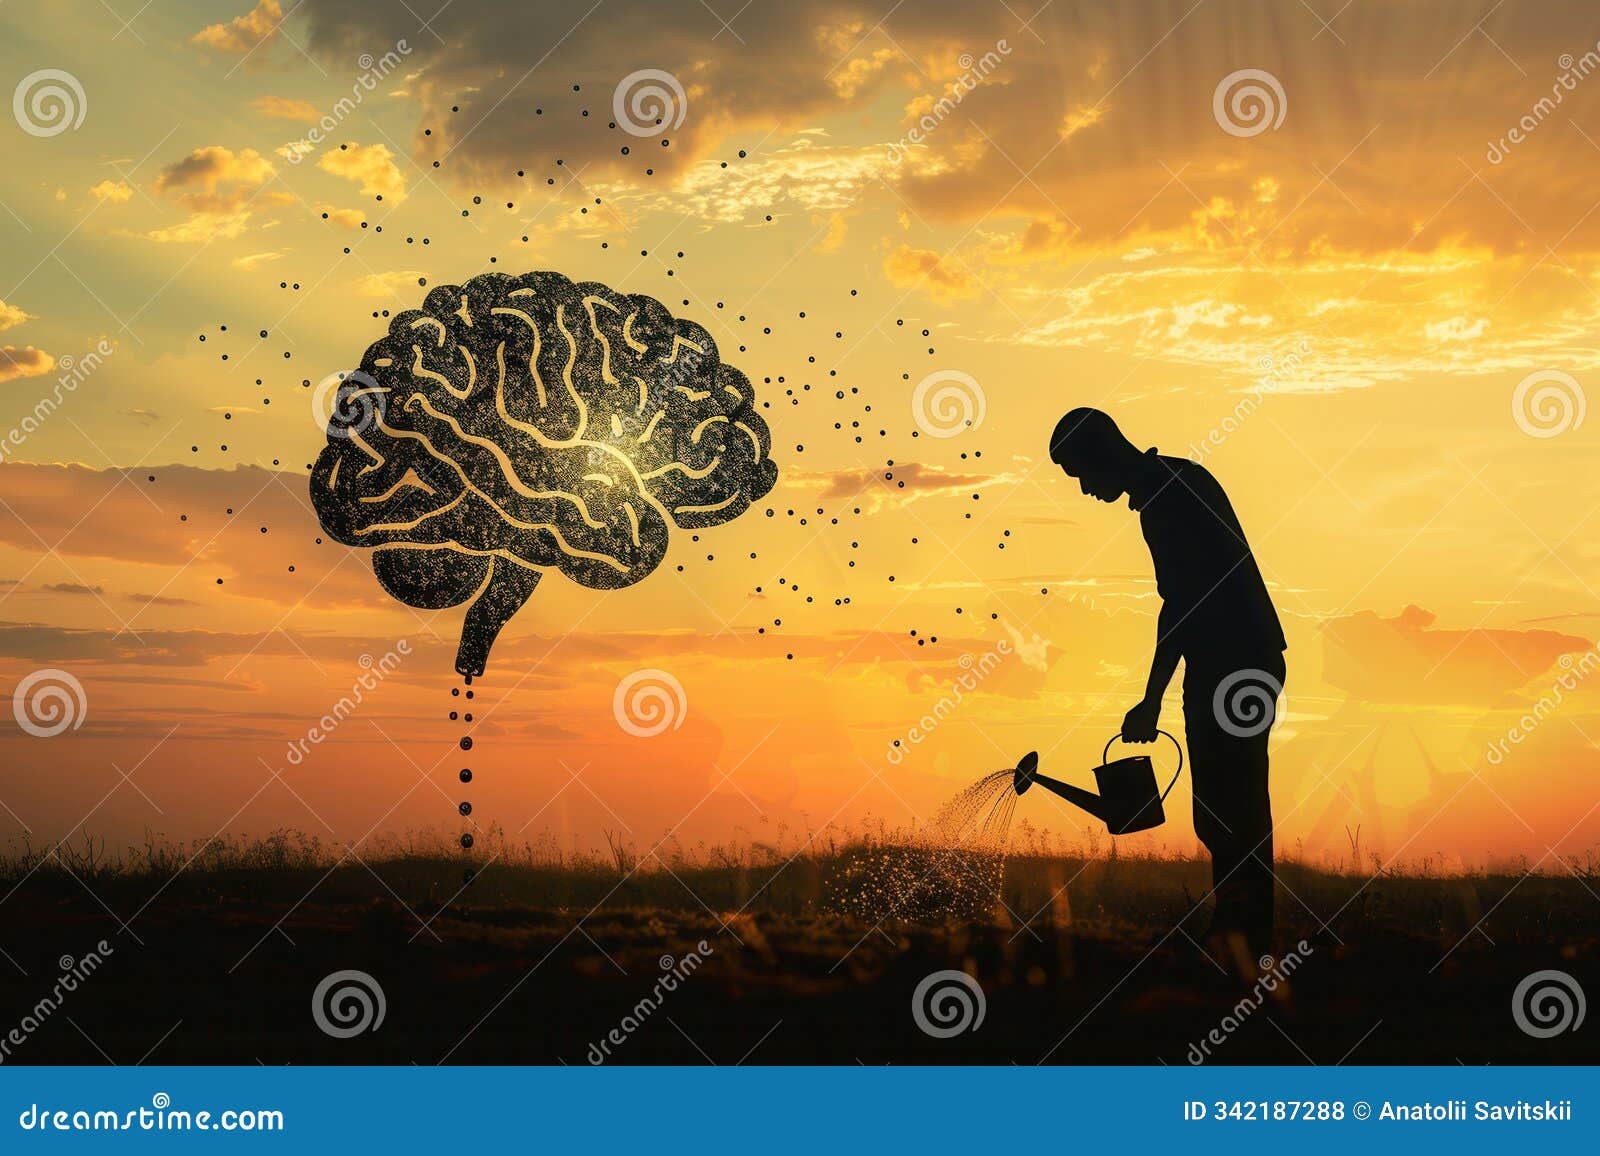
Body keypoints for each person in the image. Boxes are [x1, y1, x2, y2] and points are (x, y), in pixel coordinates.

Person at [1049, 408, 1287, 961]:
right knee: (1229, 805)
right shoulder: (1179, 479)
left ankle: (1245, 940)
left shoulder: (1167, 502)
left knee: (1231, 808)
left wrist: (1151, 700)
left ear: (1102, 453)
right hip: (1238, 660)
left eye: (1081, 474)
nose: (1084, 490)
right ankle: (1240, 932)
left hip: (1234, 663)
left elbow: (1182, 605)